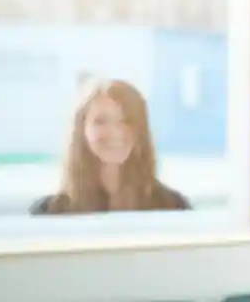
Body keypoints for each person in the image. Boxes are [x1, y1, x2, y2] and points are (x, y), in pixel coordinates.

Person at [30, 79, 191, 215]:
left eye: (126, 121)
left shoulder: (174, 208)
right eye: (101, 121)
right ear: (81, 130)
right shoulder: (49, 213)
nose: (115, 132)